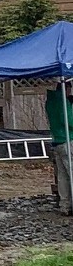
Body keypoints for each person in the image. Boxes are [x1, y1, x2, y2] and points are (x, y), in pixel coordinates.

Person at [46, 81, 73, 215]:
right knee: (71, 173)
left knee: (62, 176)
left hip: (56, 140)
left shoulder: (50, 101)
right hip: (67, 139)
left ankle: (64, 205)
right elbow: (70, 120)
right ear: (66, 89)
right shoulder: (64, 102)